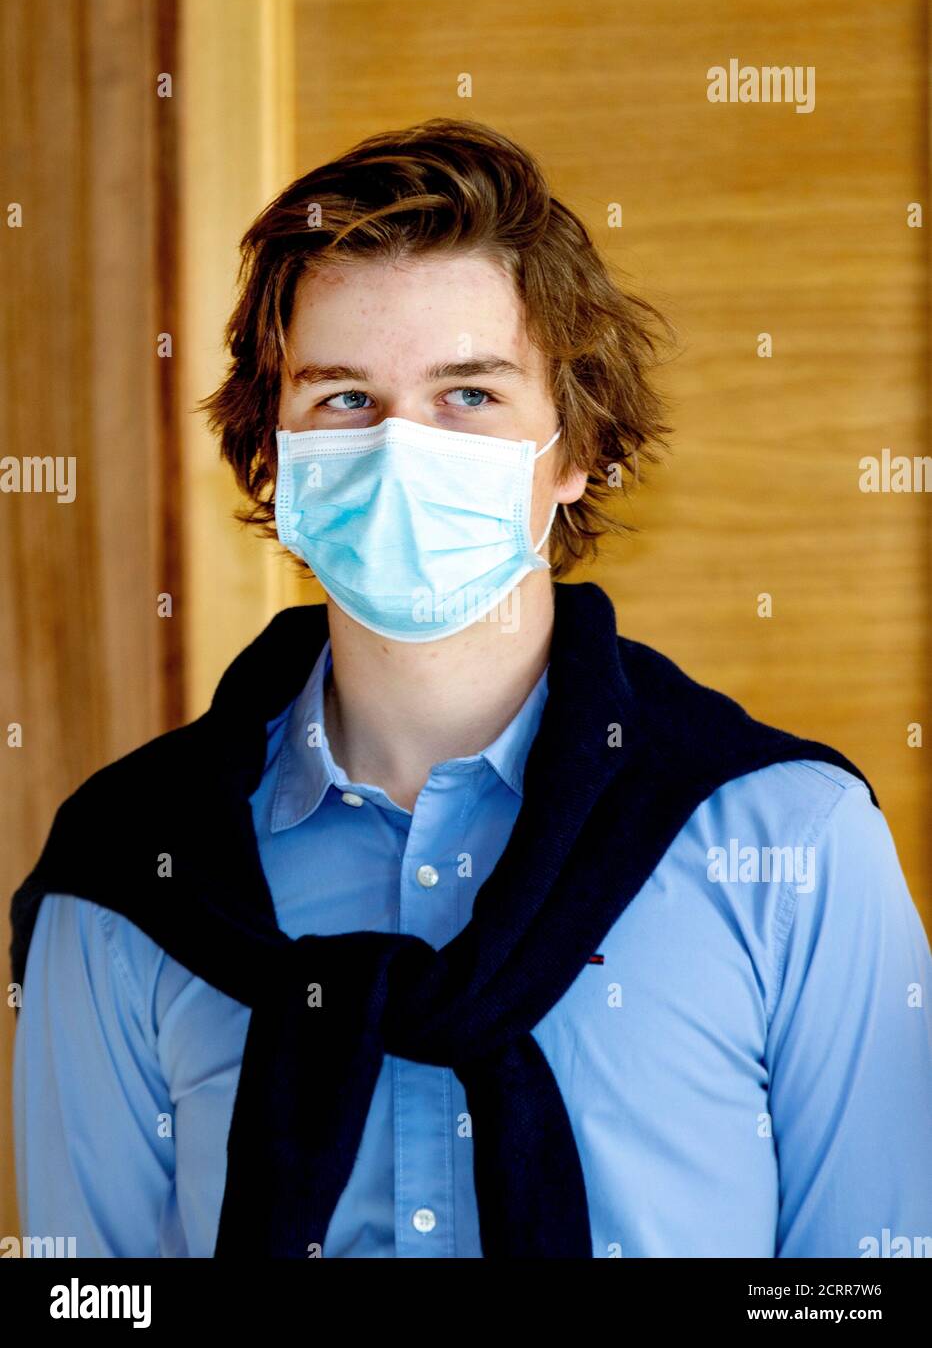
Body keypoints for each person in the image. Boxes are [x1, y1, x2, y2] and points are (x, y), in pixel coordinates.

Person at [11, 119, 932, 1259]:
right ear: (272, 453)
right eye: (344, 399)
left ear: (572, 449)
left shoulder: (790, 843)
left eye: (469, 397)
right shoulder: (125, 875)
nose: (403, 451)